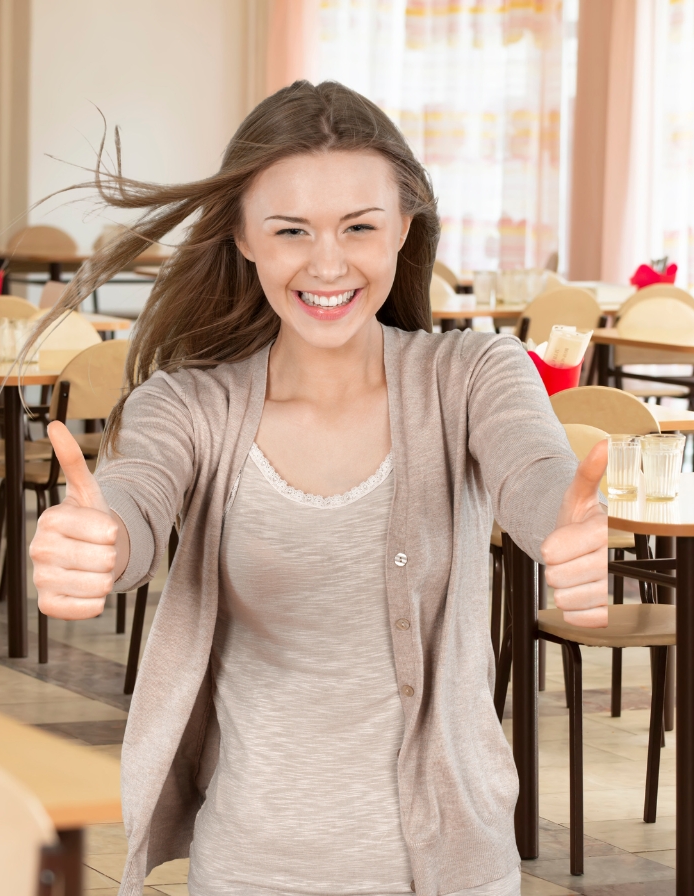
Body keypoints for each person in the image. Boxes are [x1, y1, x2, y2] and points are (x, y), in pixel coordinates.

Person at [30, 80, 609, 896]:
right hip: (252, 871)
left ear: (403, 228)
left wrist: (567, 526)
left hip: (452, 873)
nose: (328, 263)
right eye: (291, 230)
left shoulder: (473, 374)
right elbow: (136, 496)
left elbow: (536, 472)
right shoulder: (190, 403)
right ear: (243, 236)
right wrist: (100, 542)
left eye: (359, 227)